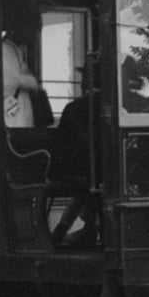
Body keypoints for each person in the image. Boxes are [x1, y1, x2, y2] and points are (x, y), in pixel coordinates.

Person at [48, 84, 101, 247]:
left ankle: (68, 229)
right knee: (99, 181)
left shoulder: (73, 107)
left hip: (69, 169)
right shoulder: (98, 106)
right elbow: (86, 144)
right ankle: (91, 229)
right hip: (80, 170)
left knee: (96, 180)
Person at [2, 4, 41, 128]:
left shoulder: (14, 50)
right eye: (32, 30)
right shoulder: (4, 49)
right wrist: (29, 81)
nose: (33, 35)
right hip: (13, 118)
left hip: (18, 115)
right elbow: (9, 82)